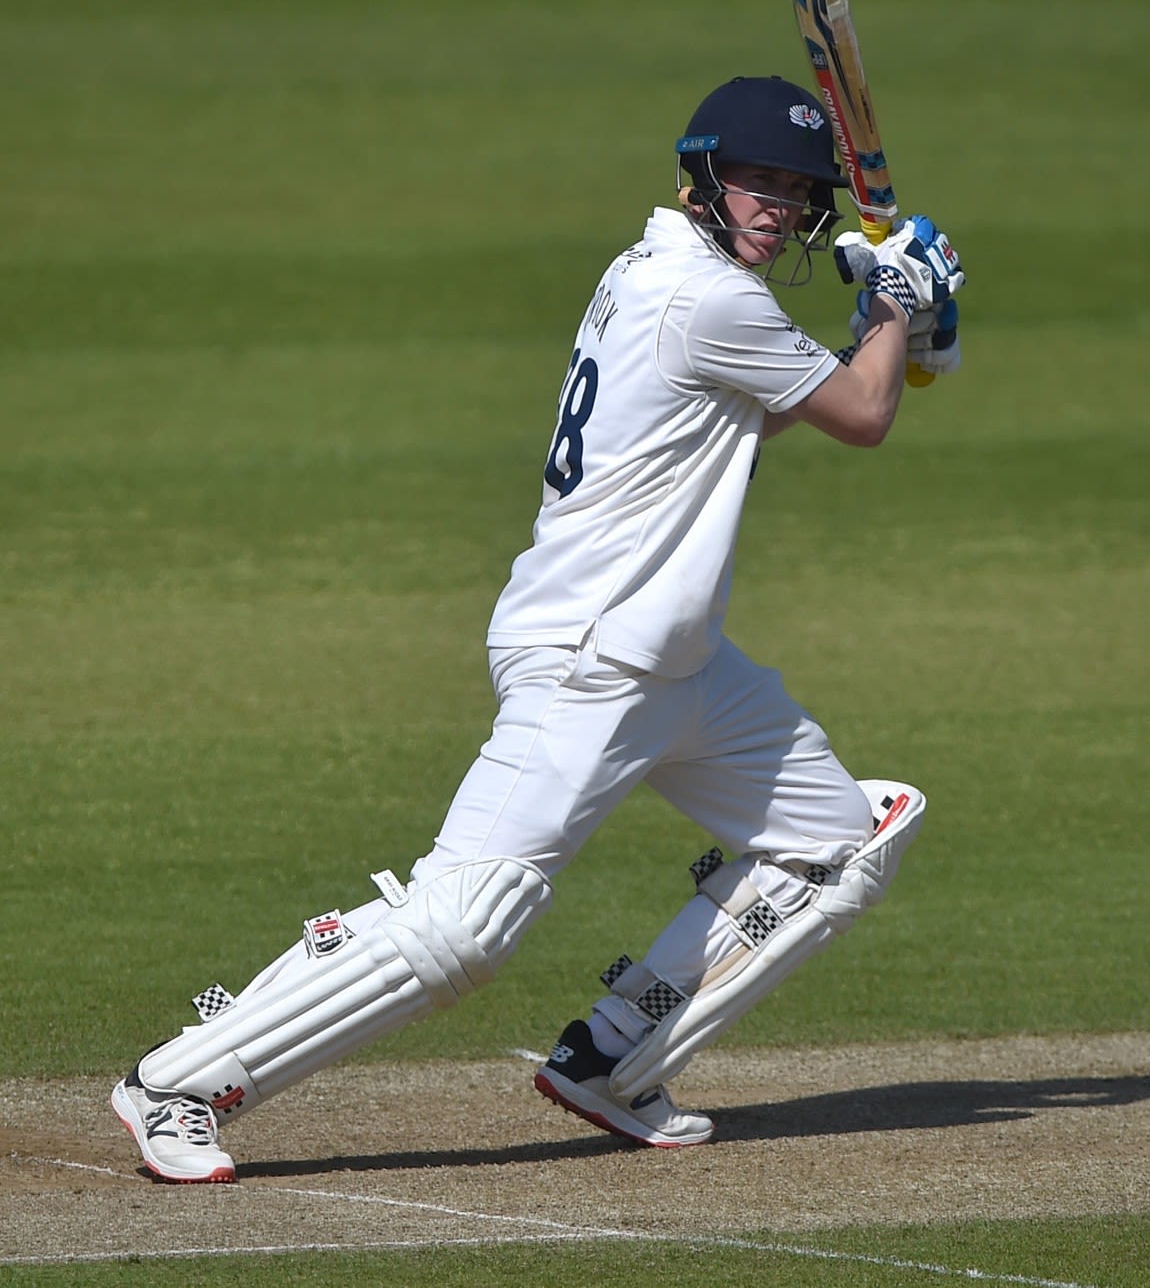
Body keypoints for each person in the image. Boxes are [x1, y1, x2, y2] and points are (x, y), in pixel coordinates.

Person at [109, 73, 966, 1182]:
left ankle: (612, 1063)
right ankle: (178, 1081)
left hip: (685, 669)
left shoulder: (664, 274)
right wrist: (894, 315)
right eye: (755, 180)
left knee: (840, 839)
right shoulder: (702, 297)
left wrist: (897, 333)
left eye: (796, 193)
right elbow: (860, 416)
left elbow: (773, 414)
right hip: (590, 660)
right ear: (698, 176)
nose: (776, 207)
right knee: (464, 922)